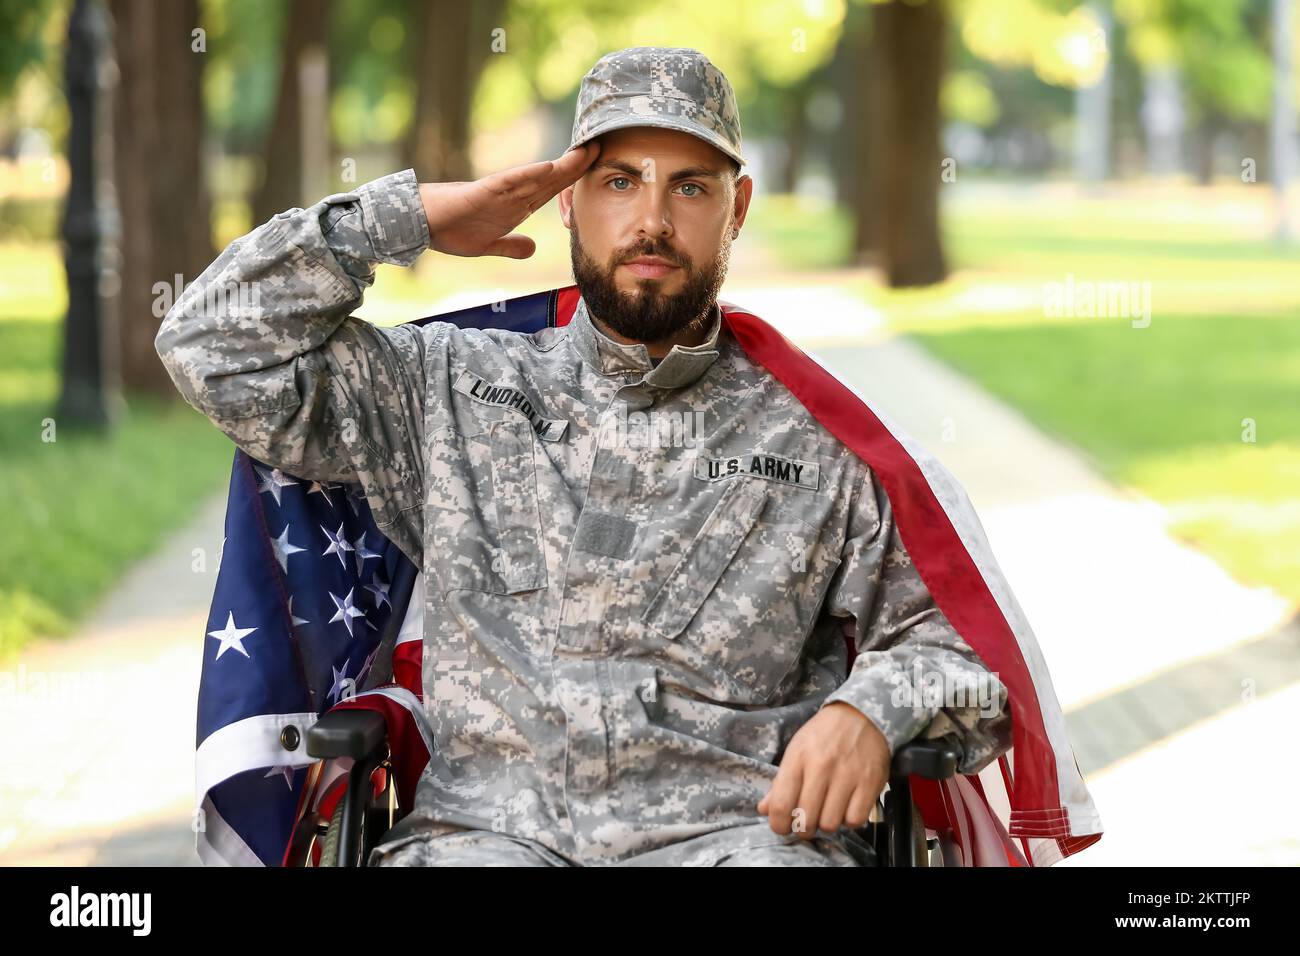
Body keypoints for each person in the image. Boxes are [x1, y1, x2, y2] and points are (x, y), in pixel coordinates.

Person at [156, 46, 1011, 867]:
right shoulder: (448, 389)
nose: (651, 221)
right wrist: (400, 220)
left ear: (738, 207)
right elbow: (210, 348)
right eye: (616, 182)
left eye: (690, 187)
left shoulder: (821, 436)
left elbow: (973, 657)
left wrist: (871, 709)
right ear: (566, 201)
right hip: (485, 841)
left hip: (745, 840)